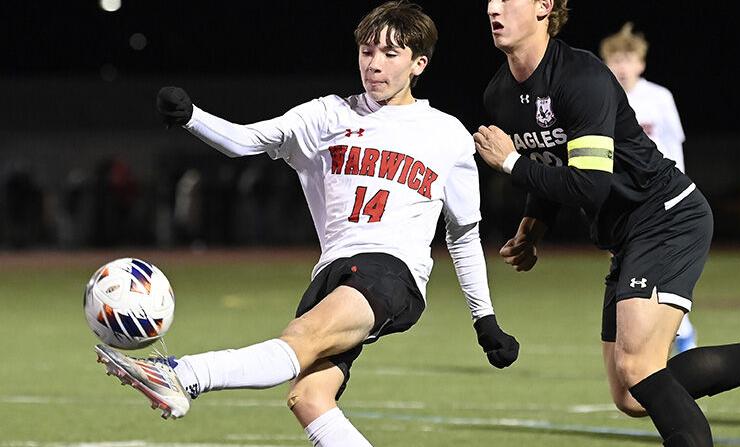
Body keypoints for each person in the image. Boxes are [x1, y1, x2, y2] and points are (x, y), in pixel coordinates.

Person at [94, 2, 519, 446]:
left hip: (392, 272)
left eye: (390, 54)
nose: (374, 64)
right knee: (310, 397)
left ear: (419, 64)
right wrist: (192, 117)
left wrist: (484, 319)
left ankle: (180, 374)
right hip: (332, 273)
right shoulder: (326, 115)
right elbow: (247, 141)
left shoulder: (446, 133)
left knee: (300, 337)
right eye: (367, 51)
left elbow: (463, 233)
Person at [475, 1, 740, 446]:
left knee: (638, 367)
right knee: (632, 395)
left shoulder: (583, 76)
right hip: (627, 236)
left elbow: (590, 185)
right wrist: (532, 227)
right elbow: (551, 160)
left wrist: (513, 163)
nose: (494, 7)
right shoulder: (499, 94)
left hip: (666, 217)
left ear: (544, 7)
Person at [600, 22, 697, 355]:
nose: (622, 66)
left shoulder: (659, 98)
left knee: (659, 276)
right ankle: (674, 340)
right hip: (623, 207)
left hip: (661, 201)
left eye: (628, 59)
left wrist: (681, 198)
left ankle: (681, 338)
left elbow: (675, 148)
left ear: (641, 63)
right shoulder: (599, 100)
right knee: (634, 278)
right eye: (614, 59)